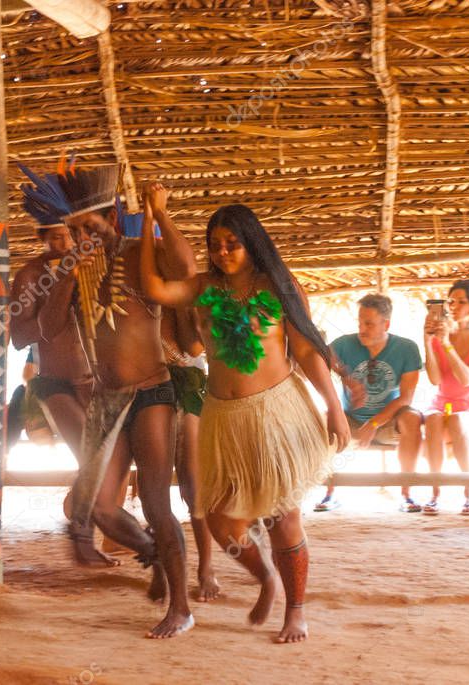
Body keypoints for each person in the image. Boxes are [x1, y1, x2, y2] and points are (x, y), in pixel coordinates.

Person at [139, 198, 350, 643]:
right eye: (215, 245)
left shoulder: (277, 285)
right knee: (220, 522)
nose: (223, 252)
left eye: (232, 243)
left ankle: (296, 610)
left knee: (282, 517)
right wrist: (150, 220)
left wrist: (333, 406)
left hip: (276, 410)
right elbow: (156, 289)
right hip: (223, 417)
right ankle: (266, 578)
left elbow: (307, 350)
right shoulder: (202, 288)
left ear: (252, 243)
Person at [20, 162, 196, 638]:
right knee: (98, 507)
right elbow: (48, 328)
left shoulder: (142, 253)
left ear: (113, 221)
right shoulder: (74, 272)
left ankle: (180, 607)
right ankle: (155, 555)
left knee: (157, 505)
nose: (81, 237)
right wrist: (67, 273)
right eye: (74, 230)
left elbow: (186, 270)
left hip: (153, 392)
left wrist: (159, 215)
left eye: (89, 227)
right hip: (106, 398)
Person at [9, 205, 115, 567]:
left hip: (95, 381)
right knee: (91, 456)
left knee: (102, 460)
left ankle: (90, 526)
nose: (64, 242)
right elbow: (19, 337)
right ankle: (82, 542)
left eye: (69, 235)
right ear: (41, 239)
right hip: (54, 382)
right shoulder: (30, 275)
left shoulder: (94, 267)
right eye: (54, 237)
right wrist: (54, 301)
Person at [318, 294, 423, 513]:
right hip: (350, 421)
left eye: (369, 324)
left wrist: (373, 424)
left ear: (386, 324)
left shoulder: (406, 348)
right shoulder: (345, 344)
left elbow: (406, 398)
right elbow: (318, 359)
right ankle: (329, 492)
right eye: (359, 323)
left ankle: (407, 493)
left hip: (387, 423)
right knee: (327, 415)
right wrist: (346, 377)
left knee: (412, 417)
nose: (362, 329)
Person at [161, 307, 220, 601]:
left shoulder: (190, 299)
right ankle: (163, 566)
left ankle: (206, 567)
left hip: (191, 386)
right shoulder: (138, 298)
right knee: (154, 490)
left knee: (194, 487)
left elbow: (195, 347)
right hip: (151, 387)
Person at [422, 280, 469, 515]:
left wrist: (446, 345)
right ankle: (435, 493)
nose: (455, 306)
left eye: (462, 302)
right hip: (442, 412)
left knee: (458, 420)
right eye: (451, 301)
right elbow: (434, 379)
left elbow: (467, 379)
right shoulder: (438, 338)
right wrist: (429, 342)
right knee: (432, 417)